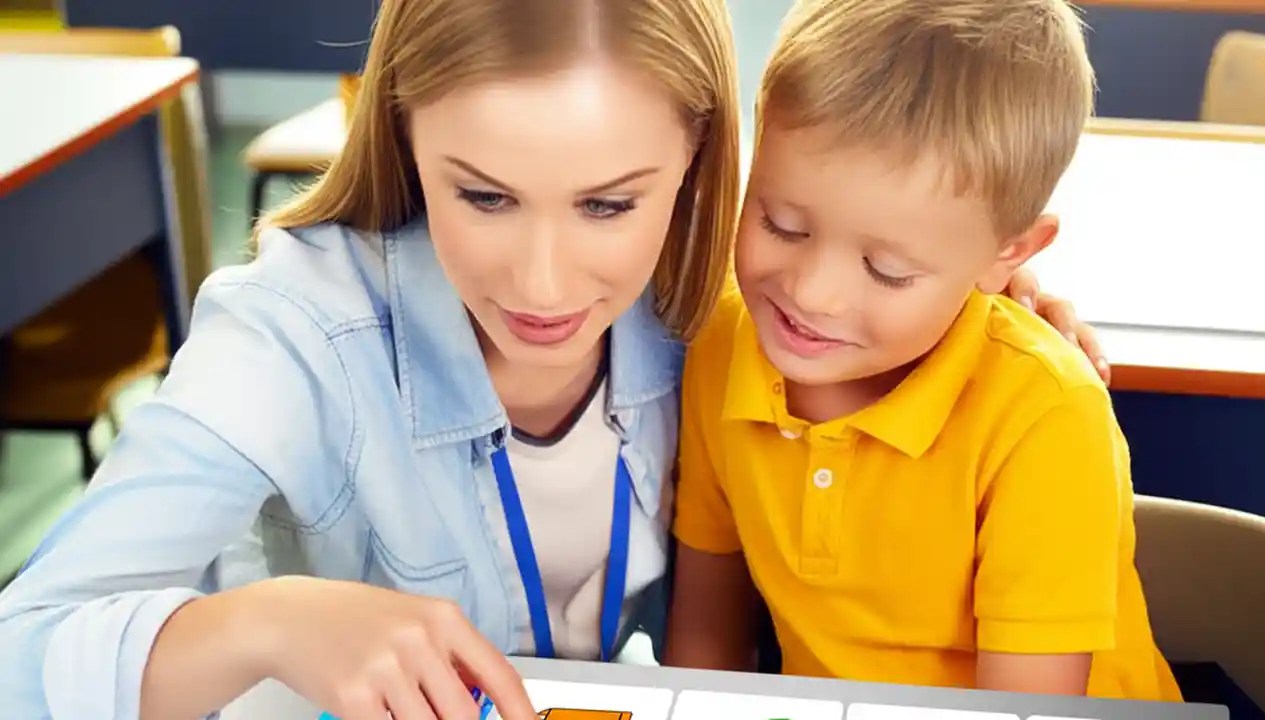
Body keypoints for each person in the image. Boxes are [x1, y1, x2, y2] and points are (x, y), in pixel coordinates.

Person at [0, 1, 1103, 719]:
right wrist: (265, 623)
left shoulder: (733, 309)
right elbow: (21, 655)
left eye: (608, 204)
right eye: (480, 194)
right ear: (400, 132)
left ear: (701, 166)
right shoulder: (293, 330)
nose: (540, 285)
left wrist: (977, 304)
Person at [665, 0, 1181, 702]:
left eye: (888, 271)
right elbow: (705, 645)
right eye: (780, 223)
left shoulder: (1046, 420)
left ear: (1010, 254)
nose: (811, 293)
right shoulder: (723, 341)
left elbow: (1026, 716)